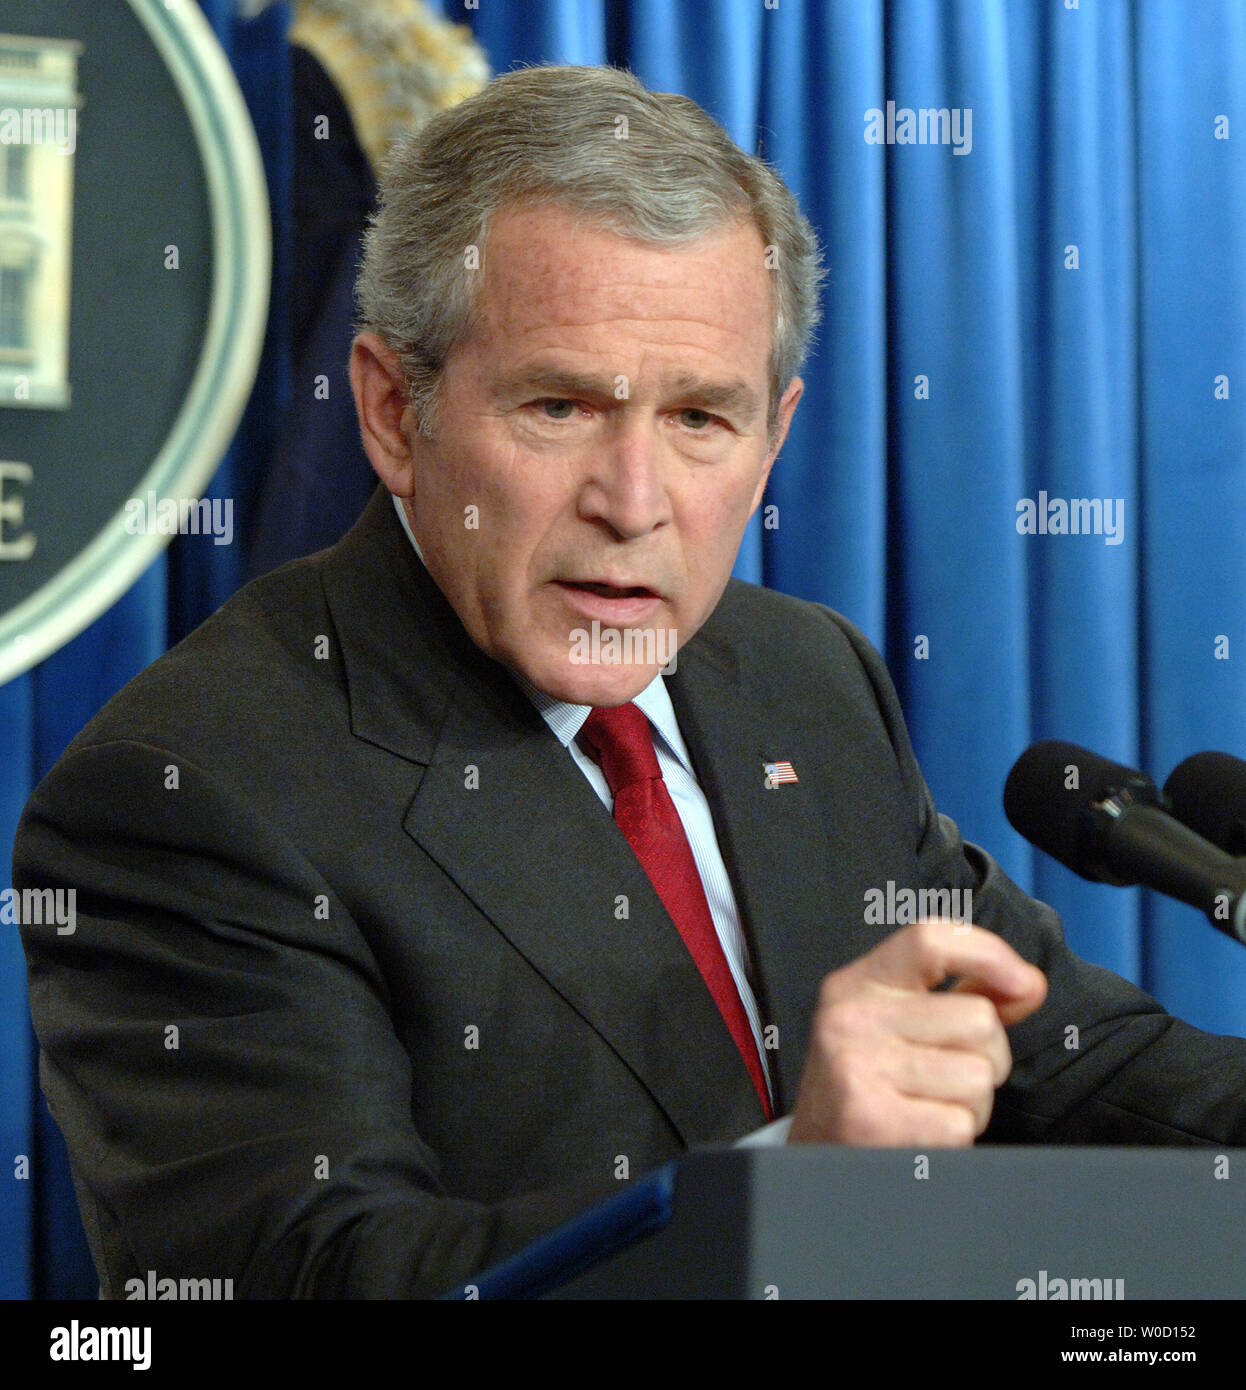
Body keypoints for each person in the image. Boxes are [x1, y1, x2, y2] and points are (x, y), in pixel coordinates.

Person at [16, 64, 1246, 1301]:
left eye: (702, 419)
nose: (635, 503)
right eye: (560, 406)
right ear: (394, 412)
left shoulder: (800, 675)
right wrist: (793, 1186)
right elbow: (326, 1275)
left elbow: (1073, 1062)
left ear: (772, 440)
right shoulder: (192, 790)